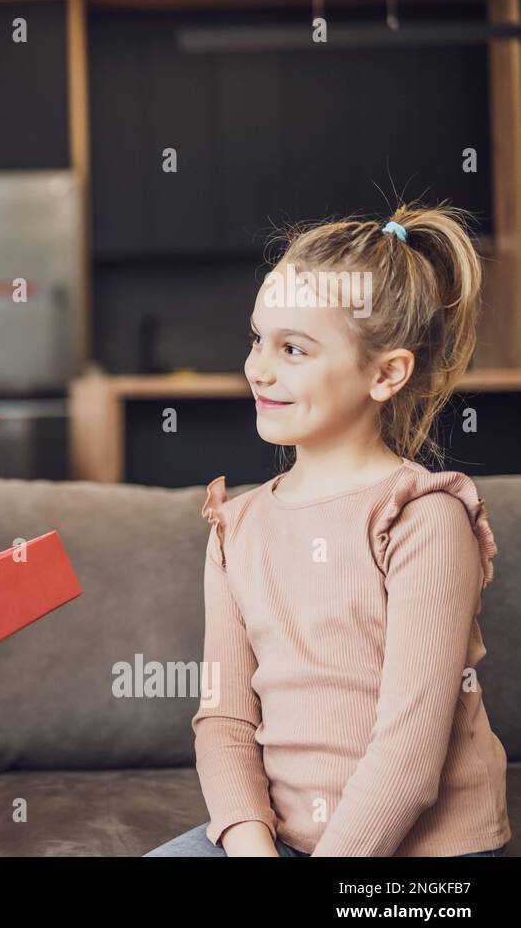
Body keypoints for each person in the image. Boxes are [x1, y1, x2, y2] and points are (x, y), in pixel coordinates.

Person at [146, 204, 510, 857]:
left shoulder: (425, 518)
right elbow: (225, 720)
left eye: (293, 349)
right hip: (283, 843)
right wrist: (253, 848)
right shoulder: (238, 525)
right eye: (258, 339)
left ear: (385, 374)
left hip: (420, 850)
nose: (259, 368)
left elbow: (408, 759)